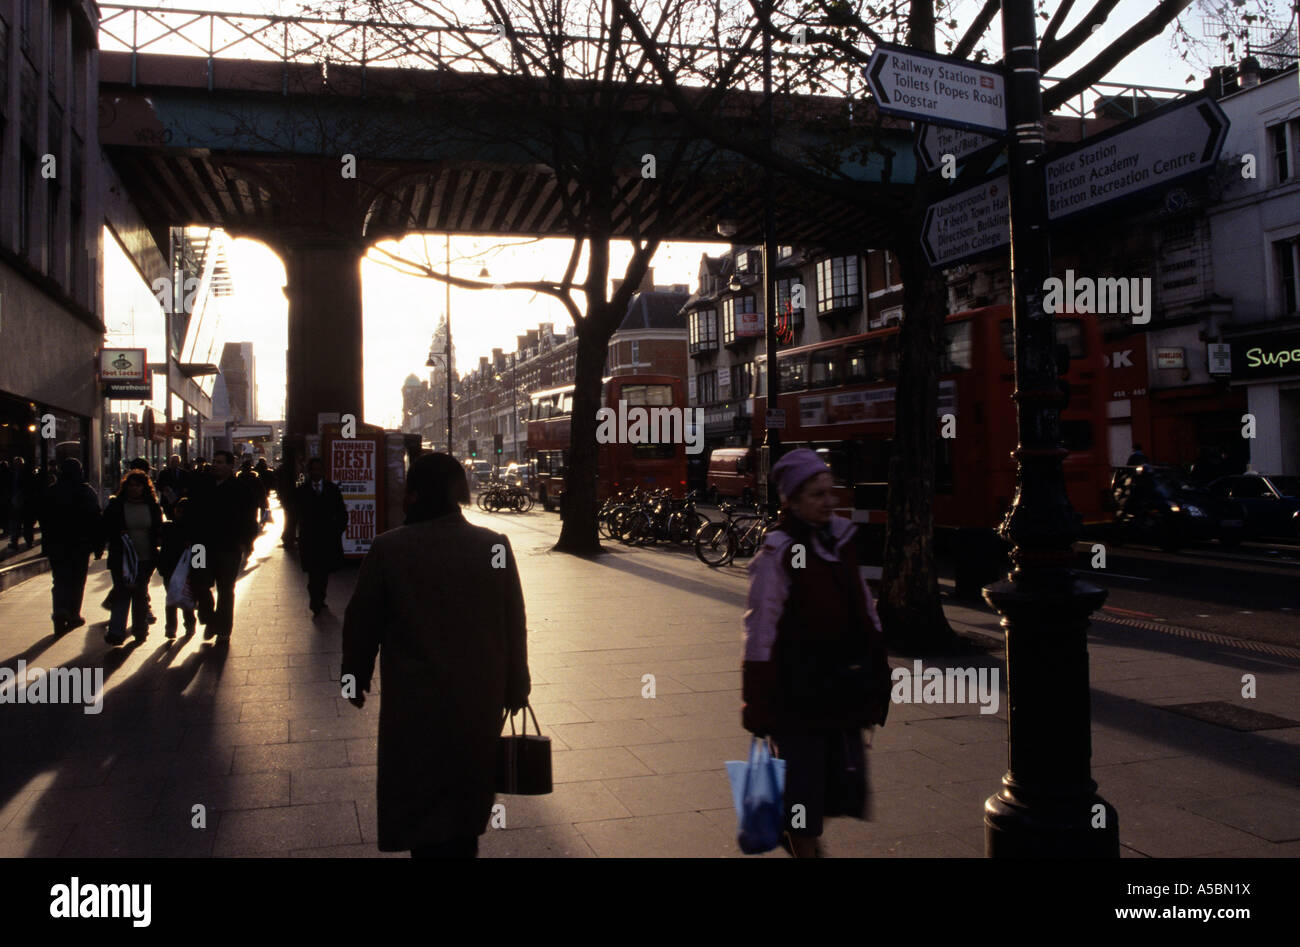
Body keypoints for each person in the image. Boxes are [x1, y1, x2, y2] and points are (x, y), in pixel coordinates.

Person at [341, 453, 530, 859]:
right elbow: (513, 619)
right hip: (478, 697)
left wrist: (353, 677)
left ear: (414, 495)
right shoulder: (493, 546)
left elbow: (362, 621)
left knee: (420, 795)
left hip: (415, 700)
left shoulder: (389, 548)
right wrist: (517, 683)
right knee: (467, 793)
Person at [741, 448, 892, 858]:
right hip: (797, 696)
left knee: (838, 789)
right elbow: (760, 632)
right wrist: (757, 703)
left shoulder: (840, 541)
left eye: (830, 492)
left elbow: (864, 609)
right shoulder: (778, 553)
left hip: (842, 690)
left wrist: (879, 672)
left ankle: (796, 834)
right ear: (790, 500)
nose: (828, 501)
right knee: (806, 793)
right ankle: (803, 843)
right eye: (815, 495)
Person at [189, 449, 258, 639]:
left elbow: (250, 518)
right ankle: (209, 618)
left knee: (226, 589)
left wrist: (246, 541)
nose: (215, 465)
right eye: (214, 461)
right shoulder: (202, 485)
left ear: (230, 466)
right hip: (199, 546)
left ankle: (223, 629)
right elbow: (191, 511)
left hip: (228, 546)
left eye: (220, 462)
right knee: (199, 584)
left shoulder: (241, 489)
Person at [37, 458, 102, 636]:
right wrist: (98, 545)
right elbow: (95, 519)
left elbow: (43, 518)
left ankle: (59, 610)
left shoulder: (51, 492)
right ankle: (74, 613)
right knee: (77, 580)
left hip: (57, 543)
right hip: (80, 544)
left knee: (59, 579)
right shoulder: (86, 492)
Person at [100, 469, 164, 646]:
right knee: (121, 592)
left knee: (140, 593)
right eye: (131, 485)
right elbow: (104, 527)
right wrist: (116, 533)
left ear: (145, 487)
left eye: (138, 485)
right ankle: (116, 631)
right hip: (122, 557)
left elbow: (158, 528)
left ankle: (140, 629)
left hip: (145, 557)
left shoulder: (151, 506)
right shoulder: (117, 505)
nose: (134, 489)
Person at [295, 457, 349, 615]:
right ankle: (315, 599)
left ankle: (321, 598)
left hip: (328, 538)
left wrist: (337, 530)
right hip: (310, 538)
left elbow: (341, 513)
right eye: (313, 470)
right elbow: (296, 513)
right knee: (313, 573)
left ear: (323, 471)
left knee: (324, 571)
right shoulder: (302, 491)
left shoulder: (332, 489)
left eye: (318, 470)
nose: (315, 473)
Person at [157, 497, 198, 638]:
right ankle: (178, 626)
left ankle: (178, 626)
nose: (179, 513)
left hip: (180, 570)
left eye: (182, 511)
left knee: (175, 598)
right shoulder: (168, 527)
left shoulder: (172, 528)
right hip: (172, 570)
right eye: (178, 510)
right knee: (177, 598)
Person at [8, 456, 36, 550]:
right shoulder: (13, 474)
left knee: (23, 524)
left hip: (24, 502)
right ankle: (18, 542)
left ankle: (26, 542)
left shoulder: (24, 474)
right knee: (19, 524)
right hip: (18, 502)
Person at [156, 454, 190, 519]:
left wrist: (185, 490)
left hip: (180, 502)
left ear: (179, 462)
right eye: (173, 461)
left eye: (176, 461)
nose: (174, 463)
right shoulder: (163, 473)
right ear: (170, 462)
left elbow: (188, 485)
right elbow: (158, 485)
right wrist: (164, 489)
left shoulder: (185, 473)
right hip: (167, 501)